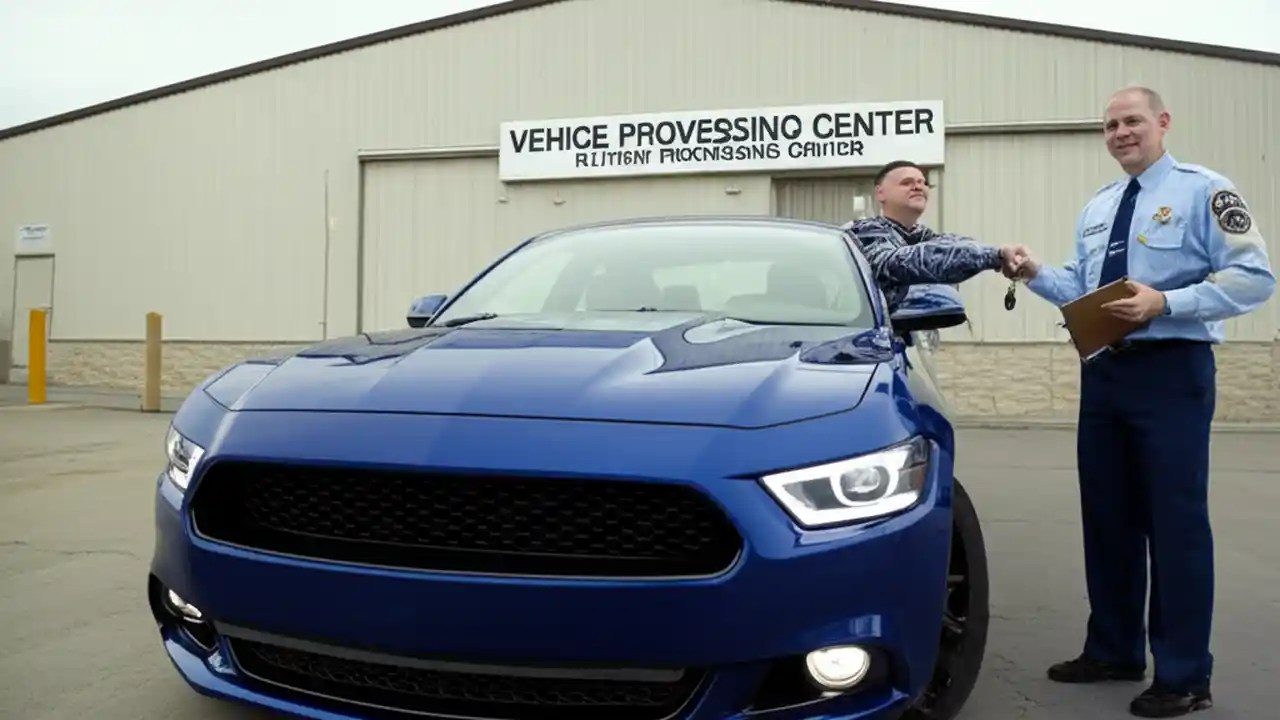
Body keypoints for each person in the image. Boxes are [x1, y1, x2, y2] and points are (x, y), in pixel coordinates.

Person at [1016, 86, 1275, 717]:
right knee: (1108, 519)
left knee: (1175, 524)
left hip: (1171, 372)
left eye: (1132, 121)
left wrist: (1168, 303)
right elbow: (1083, 287)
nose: (1121, 133)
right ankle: (1113, 649)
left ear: (1162, 122)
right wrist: (1033, 272)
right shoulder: (1100, 206)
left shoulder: (1202, 189)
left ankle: (1185, 674)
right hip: (1105, 373)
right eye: (1110, 125)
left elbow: (1255, 277)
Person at [842, 160, 1027, 314]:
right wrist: (995, 255)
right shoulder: (865, 233)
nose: (918, 187)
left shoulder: (921, 236)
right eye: (907, 183)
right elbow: (902, 263)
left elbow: (952, 246)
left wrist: (1003, 258)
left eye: (923, 183)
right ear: (880, 192)